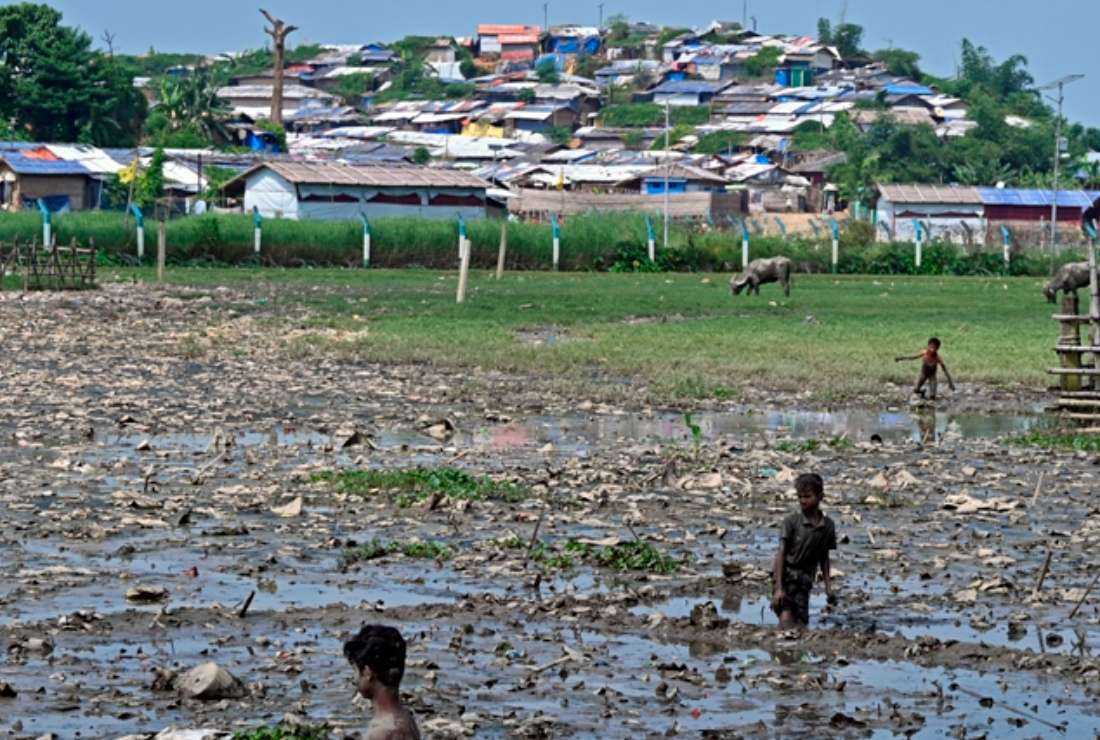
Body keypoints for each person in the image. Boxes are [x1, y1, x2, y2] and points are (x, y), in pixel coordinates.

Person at [772, 473, 837, 628]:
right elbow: (781, 553)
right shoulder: (791, 522)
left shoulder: (827, 526)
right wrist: (778, 588)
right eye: (800, 497)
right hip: (785, 578)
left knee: (801, 625)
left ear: (820, 496)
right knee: (786, 623)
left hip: (804, 581)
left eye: (807, 496)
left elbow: (824, 557)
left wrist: (828, 588)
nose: (803, 501)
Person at [344, 624, 421, 740]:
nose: (355, 679)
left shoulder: (382, 732)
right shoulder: (406, 717)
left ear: (367, 672)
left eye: (355, 670)